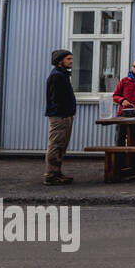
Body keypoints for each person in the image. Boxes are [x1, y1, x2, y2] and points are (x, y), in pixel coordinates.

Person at [44, 48, 76, 185]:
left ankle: (57, 173)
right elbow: (56, 98)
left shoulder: (62, 74)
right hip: (60, 116)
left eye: (71, 58)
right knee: (56, 145)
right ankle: (51, 175)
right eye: (68, 59)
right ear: (60, 61)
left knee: (61, 146)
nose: (71, 61)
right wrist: (63, 113)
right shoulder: (57, 75)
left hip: (64, 115)